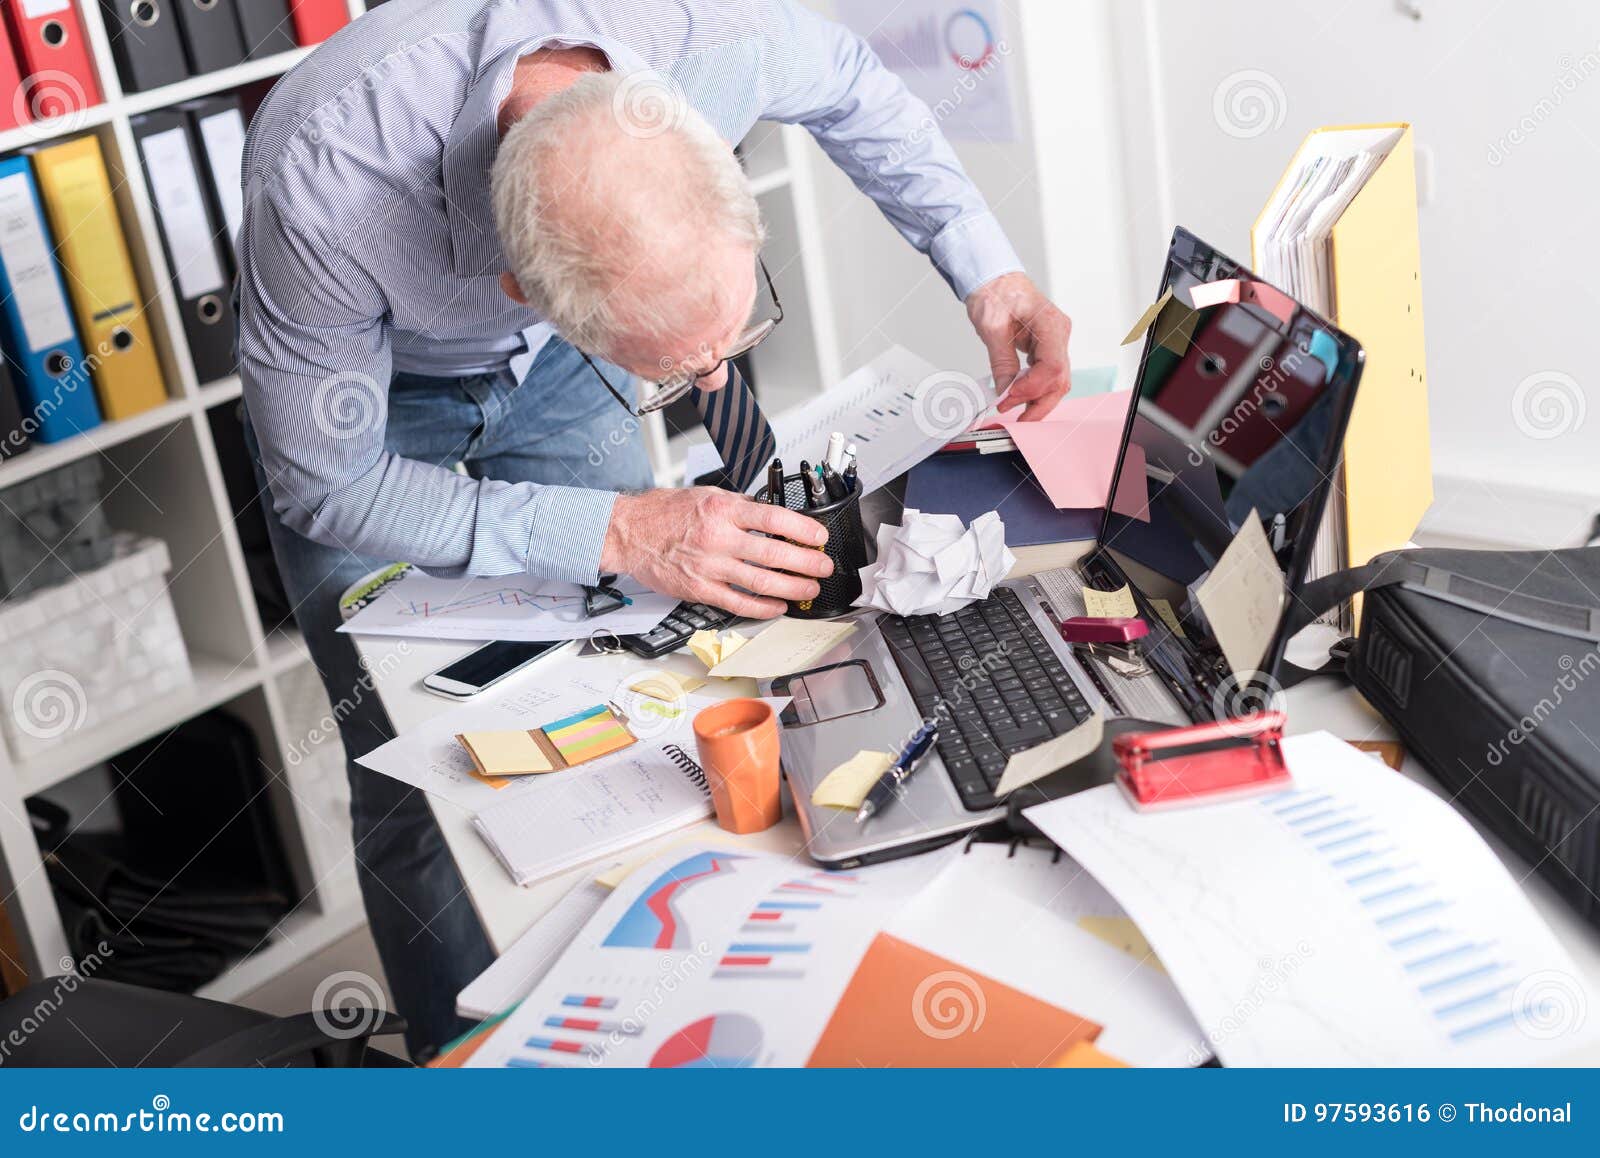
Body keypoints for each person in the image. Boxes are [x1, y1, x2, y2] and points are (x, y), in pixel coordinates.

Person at [237, 0, 1072, 1059]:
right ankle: (470, 1070)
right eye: (682, 372)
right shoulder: (324, 178)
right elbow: (332, 489)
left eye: (731, 333)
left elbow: (859, 88)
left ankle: (628, 1028)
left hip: (565, 372)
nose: (717, 384)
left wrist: (988, 270)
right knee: (410, 768)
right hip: (373, 400)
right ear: (515, 289)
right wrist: (621, 531)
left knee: (635, 696)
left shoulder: (713, 36)